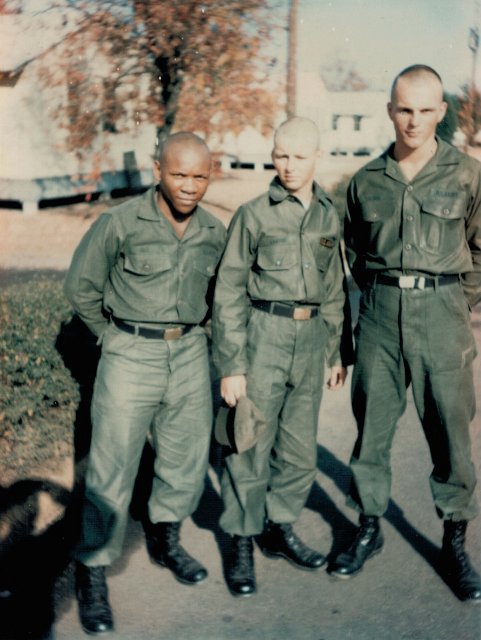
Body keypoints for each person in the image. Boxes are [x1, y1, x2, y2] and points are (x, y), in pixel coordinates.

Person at [328, 65, 481, 604]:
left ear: (442, 112)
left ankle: (455, 541)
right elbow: (354, 252)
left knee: (451, 436)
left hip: (442, 314)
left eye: (424, 110)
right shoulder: (366, 181)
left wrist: (456, 301)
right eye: (404, 110)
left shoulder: (467, 175)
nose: (413, 121)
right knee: (371, 430)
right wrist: (379, 298)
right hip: (380, 316)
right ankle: (368, 528)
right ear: (390, 111)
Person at [64, 132, 226, 633]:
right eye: (179, 174)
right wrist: (112, 337)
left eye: (199, 176)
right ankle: (93, 568)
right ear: (158, 170)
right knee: (112, 467)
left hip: (190, 352)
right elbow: (81, 287)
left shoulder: (214, 231)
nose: (189, 186)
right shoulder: (120, 222)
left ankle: (166, 539)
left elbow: (221, 297)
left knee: (184, 459)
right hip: (130, 352)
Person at [212, 117, 352, 596]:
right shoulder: (253, 215)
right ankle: (242, 539)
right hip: (263, 336)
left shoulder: (328, 216)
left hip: (310, 340)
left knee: (298, 449)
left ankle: (278, 526)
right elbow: (228, 290)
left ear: (317, 157)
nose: (289, 165)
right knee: (248, 441)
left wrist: (335, 352)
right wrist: (232, 365)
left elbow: (333, 288)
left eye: (299, 156)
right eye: (281, 155)